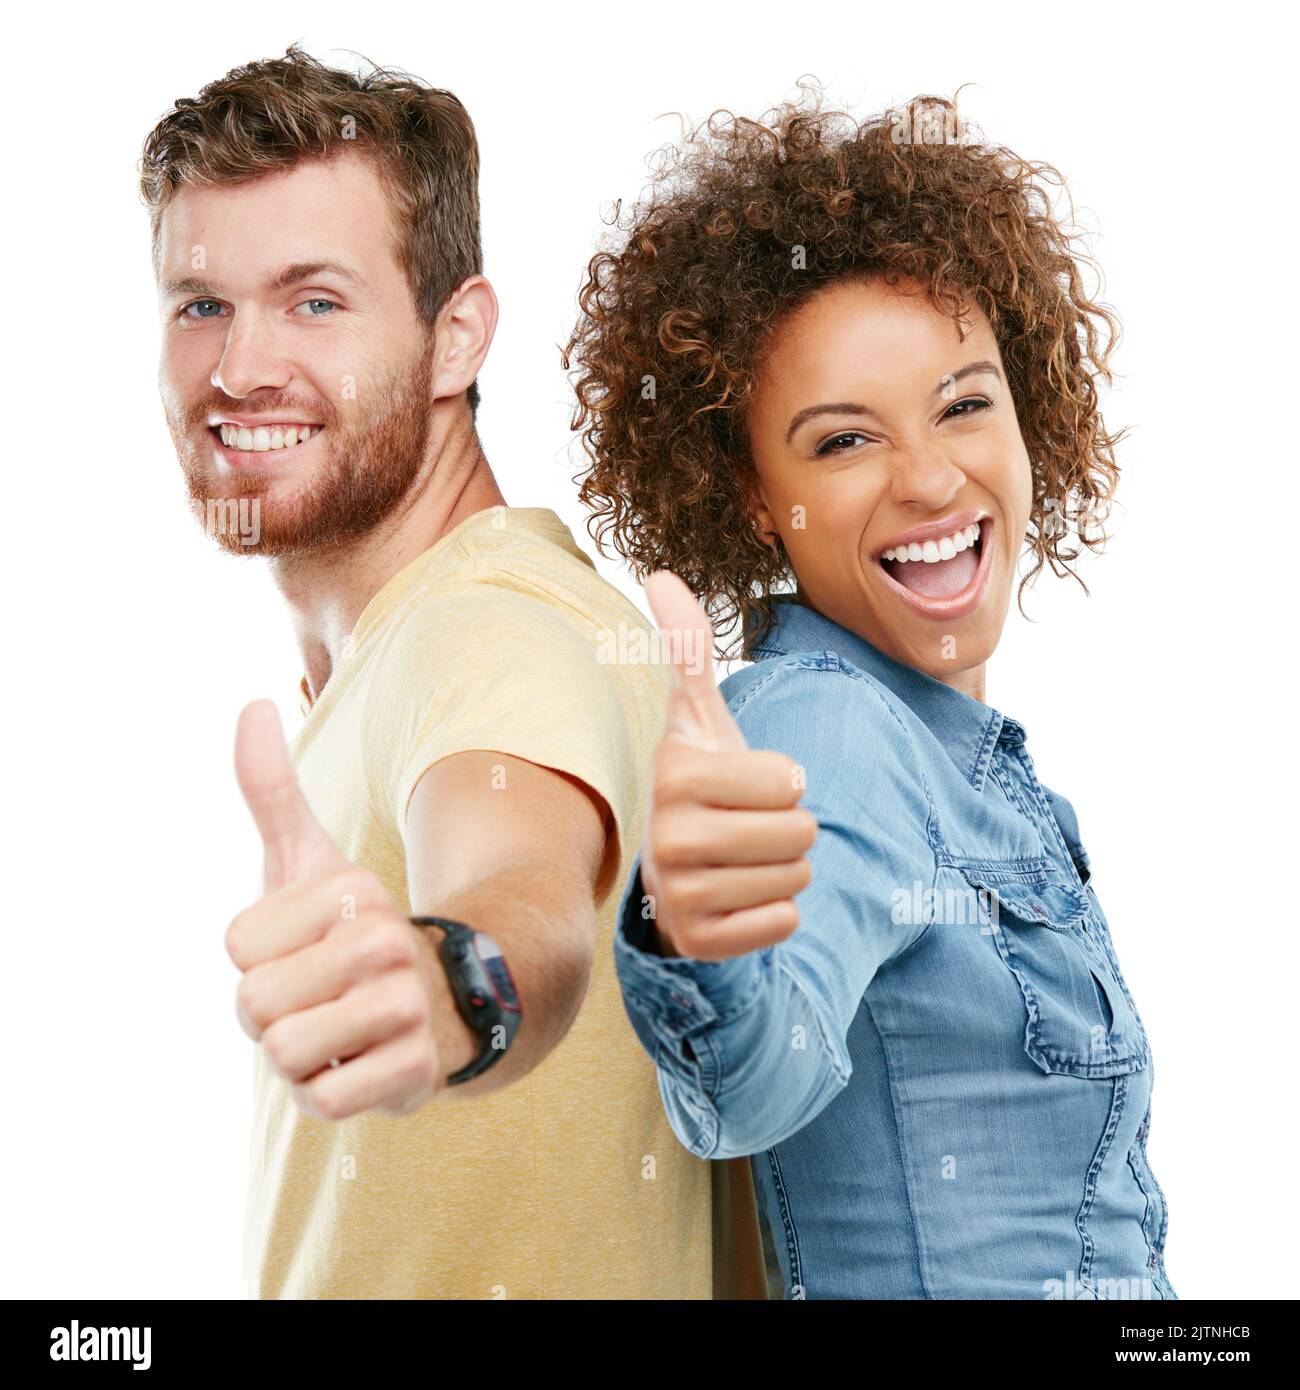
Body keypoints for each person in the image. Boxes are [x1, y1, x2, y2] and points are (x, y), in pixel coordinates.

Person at [141, 44, 765, 1299]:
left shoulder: (490, 628)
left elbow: (521, 879)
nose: (238, 367)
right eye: (201, 303)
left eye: (316, 301)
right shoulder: (429, 635)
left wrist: (451, 981)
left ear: (453, 338)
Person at [566, 88, 1176, 1300]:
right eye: (844, 441)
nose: (931, 476)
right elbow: (754, 1082)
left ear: (1028, 408)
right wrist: (698, 932)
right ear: (751, 495)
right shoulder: (825, 728)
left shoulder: (968, 764)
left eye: (962, 404)